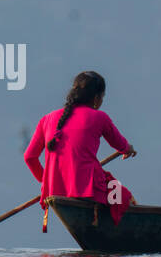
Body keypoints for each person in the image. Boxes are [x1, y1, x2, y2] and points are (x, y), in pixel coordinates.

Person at [24, 70, 137, 231]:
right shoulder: (100, 117)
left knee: (115, 190)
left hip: (54, 190)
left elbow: (29, 157)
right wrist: (128, 149)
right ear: (97, 97)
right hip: (90, 189)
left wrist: (47, 181)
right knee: (122, 196)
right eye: (102, 97)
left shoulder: (46, 119)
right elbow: (120, 144)